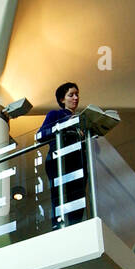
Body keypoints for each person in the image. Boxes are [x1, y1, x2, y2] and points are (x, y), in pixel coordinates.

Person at [36, 82, 88, 227]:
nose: (75, 98)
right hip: (59, 159)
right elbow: (40, 135)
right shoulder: (56, 114)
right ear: (62, 99)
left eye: (77, 94)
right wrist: (65, 124)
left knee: (78, 194)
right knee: (60, 195)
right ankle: (58, 225)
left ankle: (75, 225)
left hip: (78, 161)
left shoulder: (81, 119)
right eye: (71, 95)